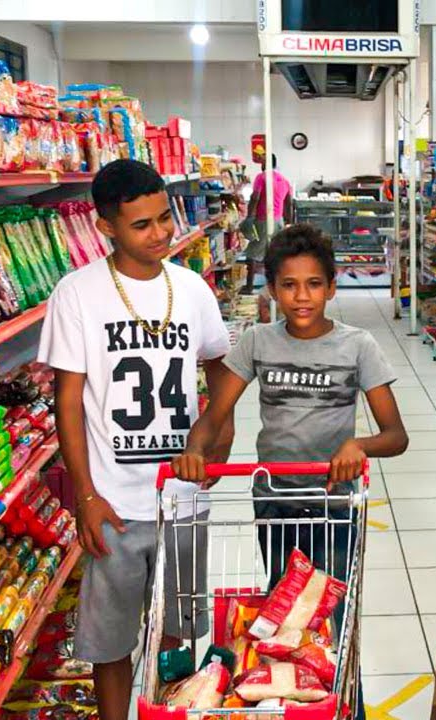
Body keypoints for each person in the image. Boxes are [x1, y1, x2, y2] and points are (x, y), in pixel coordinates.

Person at [174, 223, 408, 718]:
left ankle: (347, 707)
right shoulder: (257, 342)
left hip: (335, 504)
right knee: (283, 617)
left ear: (332, 285)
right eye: (288, 285)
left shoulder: (358, 345)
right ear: (272, 288)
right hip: (275, 500)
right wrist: (197, 450)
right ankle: (294, 704)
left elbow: (395, 435)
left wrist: (357, 445)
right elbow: (215, 416)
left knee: (334, 618)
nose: (302, 297)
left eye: (314, 284)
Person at [41, 159, 237, 720]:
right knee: (110, 641)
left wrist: (219, 441)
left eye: (164, 218)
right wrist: (85, 496)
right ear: (106, 227)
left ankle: (163, 709)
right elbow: (68, 401)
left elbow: (223, 373)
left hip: (184, 496)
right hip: (116, 503)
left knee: (176, 632)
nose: (159, 234)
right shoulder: (77, 294)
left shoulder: (193, 288)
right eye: (141, 225)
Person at [241, 153, 296, 300]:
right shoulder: (284, 180)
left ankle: (249, 286)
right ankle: (277, 285)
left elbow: (255, 197)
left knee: (252, 252)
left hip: (262, 219)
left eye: (263, 161)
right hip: (278, 220)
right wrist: (289, 223)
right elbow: (289, 203)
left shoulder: (262, 177)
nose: (261, 163)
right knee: (275, 254)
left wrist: (249, 217)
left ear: (267, 163)